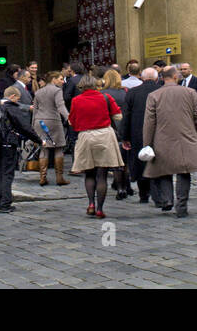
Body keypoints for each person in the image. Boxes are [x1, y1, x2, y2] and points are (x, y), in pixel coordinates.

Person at [142, 66, 197, 216]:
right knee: (184, 172)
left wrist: (147, 143)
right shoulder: (190, 93)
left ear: (162, 78)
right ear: (176, 77)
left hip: (162, 138)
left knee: (165, 170)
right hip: (186, 136)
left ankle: (167, 200)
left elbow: (149, 122)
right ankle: (182, 205)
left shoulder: (154, 95)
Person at [0, 85, 45, 213]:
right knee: (8, 172)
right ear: (12, 96)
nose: (18, 101)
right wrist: (39, 140)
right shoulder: (11, 108)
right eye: (17, 98)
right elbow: (24, 127)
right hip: (7, 143)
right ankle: (5, 203)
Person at [68, 74, 124, 218]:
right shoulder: (105, 97)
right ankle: (100, 208)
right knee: (102, 175)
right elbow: (118, 116)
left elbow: (72, 122)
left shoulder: (76, 100)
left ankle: (91, 203)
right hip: (105, 135)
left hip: (86, 136)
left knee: (89, 174)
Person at [121, 67, 162, 203]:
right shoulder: (161, 92)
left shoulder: (133, 93)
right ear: (156, 78)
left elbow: (126, 116)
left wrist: (125, 137)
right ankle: (159, 196)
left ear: (141, 78)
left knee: (140, 162)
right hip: (160, 132)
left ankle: (143, 195)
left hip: (137, 133)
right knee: (158, 162)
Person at [32, 71, 70, 185]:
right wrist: (68, 117)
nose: (62, 81)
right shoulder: (57, 90)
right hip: (53, 121)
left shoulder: (38, 92)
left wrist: (33, 125)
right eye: (60, 79)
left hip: (39, 121)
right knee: (58, 148)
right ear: (53, 79)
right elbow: (60, 106)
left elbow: (35, 109)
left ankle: (42, 177)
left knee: (44, 148)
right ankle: (59, 177)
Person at [101, 69, 133, 200]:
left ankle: (120, 188)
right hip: (125, 128)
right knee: (125, 159)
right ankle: (127, 185)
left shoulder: (102, 94)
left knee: (115, 160)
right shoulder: (126, 92)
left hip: (110, 128)